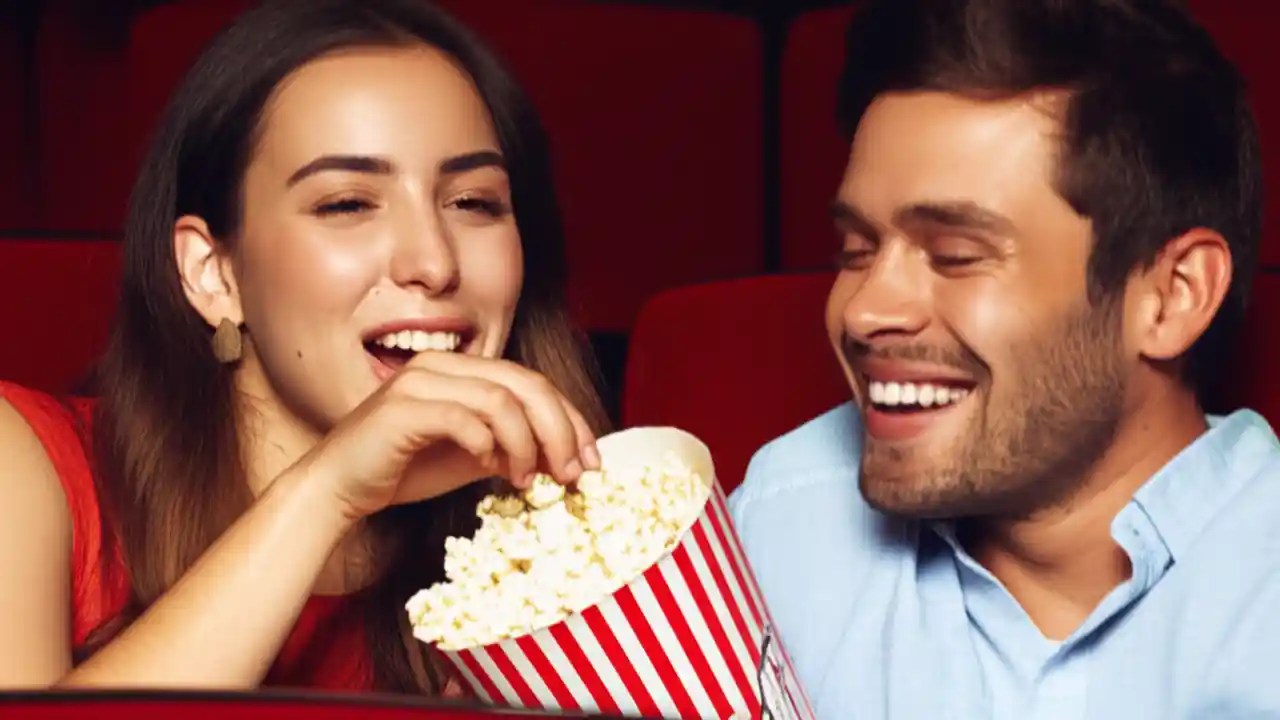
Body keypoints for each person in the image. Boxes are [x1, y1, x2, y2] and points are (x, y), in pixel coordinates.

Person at [0, 0, 609, 695]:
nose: (434, 263)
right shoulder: (26, 466)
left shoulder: (560, 552)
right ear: (214, 274)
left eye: (473, 203)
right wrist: (328, 491)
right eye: (347, 204)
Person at [730, 0, 1280, 717]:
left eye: (955, 255)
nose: (863, 310)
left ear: (1172, 296)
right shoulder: (782, 522)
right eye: (855, 251)